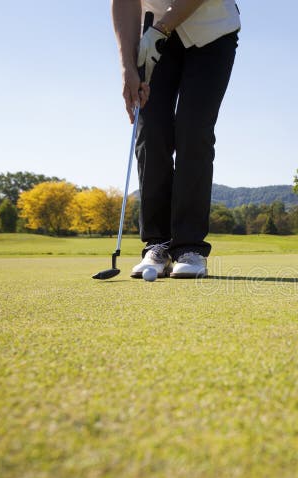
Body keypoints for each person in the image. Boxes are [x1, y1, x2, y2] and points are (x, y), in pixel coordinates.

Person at [111, 0, 240, 278]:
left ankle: (189, 248)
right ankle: (156, 245)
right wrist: (127, 67)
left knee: (193, 130)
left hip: (213, 31)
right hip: (154, 34)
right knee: (151, 131)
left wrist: (161, 28)